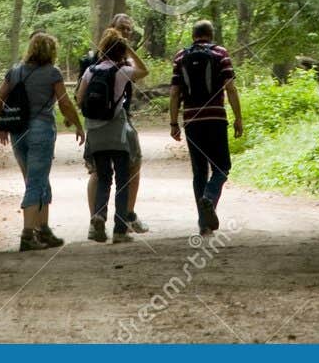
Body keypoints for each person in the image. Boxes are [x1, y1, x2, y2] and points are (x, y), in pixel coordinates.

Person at [0, 31, 85, 252]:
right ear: (51, 51)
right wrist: (78, 125)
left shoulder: (15, 72)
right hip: (41, 131)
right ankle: (27, 234)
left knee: (37, 179)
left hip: (18, 132)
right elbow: (64, 103)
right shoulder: (52, 73)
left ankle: (43, 230)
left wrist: (3, 125)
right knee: (36, 181)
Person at [168, 19, 243, 236]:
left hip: (192, 121)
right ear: (211, 34)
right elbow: (230, 88)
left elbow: (174, 93)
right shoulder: (220, 53)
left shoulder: (181, 56)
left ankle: (203, 223)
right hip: (216, 119)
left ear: (193, 36)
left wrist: (174, 123)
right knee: (221, 168)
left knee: (199, 171)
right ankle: (209, 199)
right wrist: (238, 117)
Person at [79, 13, 150, 233]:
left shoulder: (92, 66)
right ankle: (115, 221)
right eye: (122, 28)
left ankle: (114, 217)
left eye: (129, 29)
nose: (126, 32)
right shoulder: (119, 65)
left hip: (104, 122)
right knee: (119, 172)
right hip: (116, 123)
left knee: (109, 173)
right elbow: (143, 72)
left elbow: (80, 97)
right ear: (112, 28)